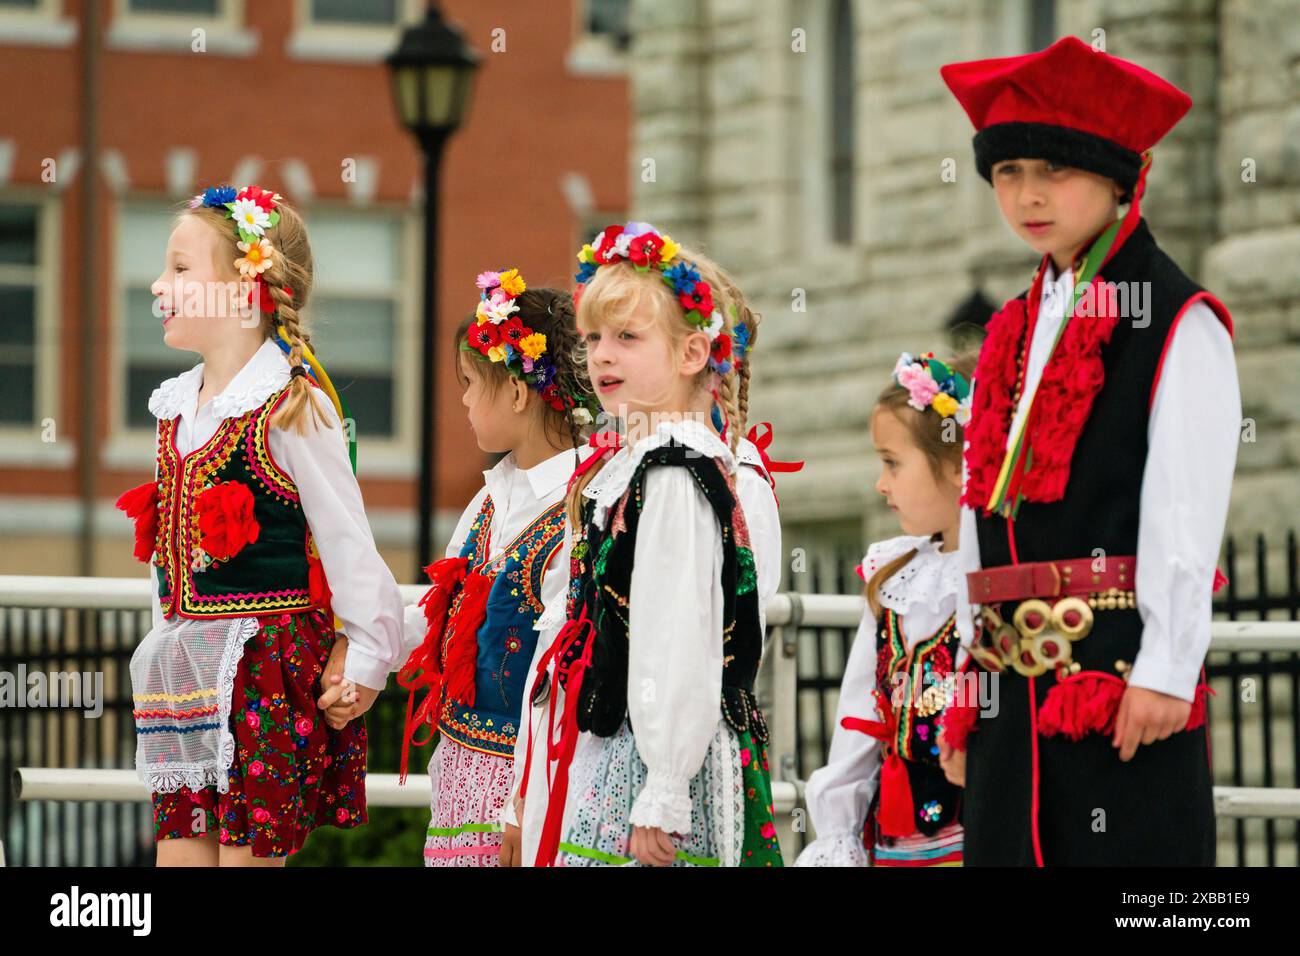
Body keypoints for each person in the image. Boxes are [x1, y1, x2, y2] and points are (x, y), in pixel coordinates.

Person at [940, 36, 1240, 865]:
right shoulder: (1011, 326)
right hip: (1007, 697)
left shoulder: (1179, 318)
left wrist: (1168, 668)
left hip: (1113, 684)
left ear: (1117, 179)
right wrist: (968, 694)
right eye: (1007, 174)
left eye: (1053, 171)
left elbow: (1184, 505)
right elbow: (977, 515)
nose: (1028, 195)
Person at [116, 185, 405, 865]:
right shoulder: (177, 409)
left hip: (263, 673)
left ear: (245, 289)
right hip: (188, 669)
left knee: (249, 859)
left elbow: (347, 546)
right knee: (179, 853)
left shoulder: (292, 407)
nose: (160, 285)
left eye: (182, 269)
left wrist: (363, 656)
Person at [797, 352, 975, 867]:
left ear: (959, 466)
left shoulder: (995, 580)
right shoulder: (895, 575)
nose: (881, 483)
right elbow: (859, 715)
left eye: (892, 463)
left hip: (977, 834)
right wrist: (839, 830)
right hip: (893, 842)